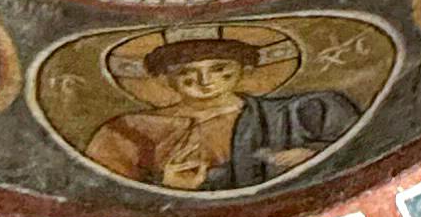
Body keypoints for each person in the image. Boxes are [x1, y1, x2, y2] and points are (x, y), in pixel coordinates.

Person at [80, 25, 355, 188]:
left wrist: (312, 157)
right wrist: (169, 188)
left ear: (243, 70)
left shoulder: (302, 114)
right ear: (167, 80)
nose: (204, 81)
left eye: (219, 69)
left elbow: (356, 152)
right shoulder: (127, 132)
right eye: (187, 72)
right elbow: (102, 196)